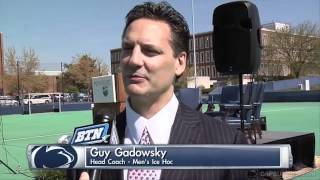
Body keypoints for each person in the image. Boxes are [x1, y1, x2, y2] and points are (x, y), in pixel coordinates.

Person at [78, 1, 248, 180]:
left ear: (180, 62)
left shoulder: (226, 143)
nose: (133, 60)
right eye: (128, 48)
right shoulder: (87, 148)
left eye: (150, 51)